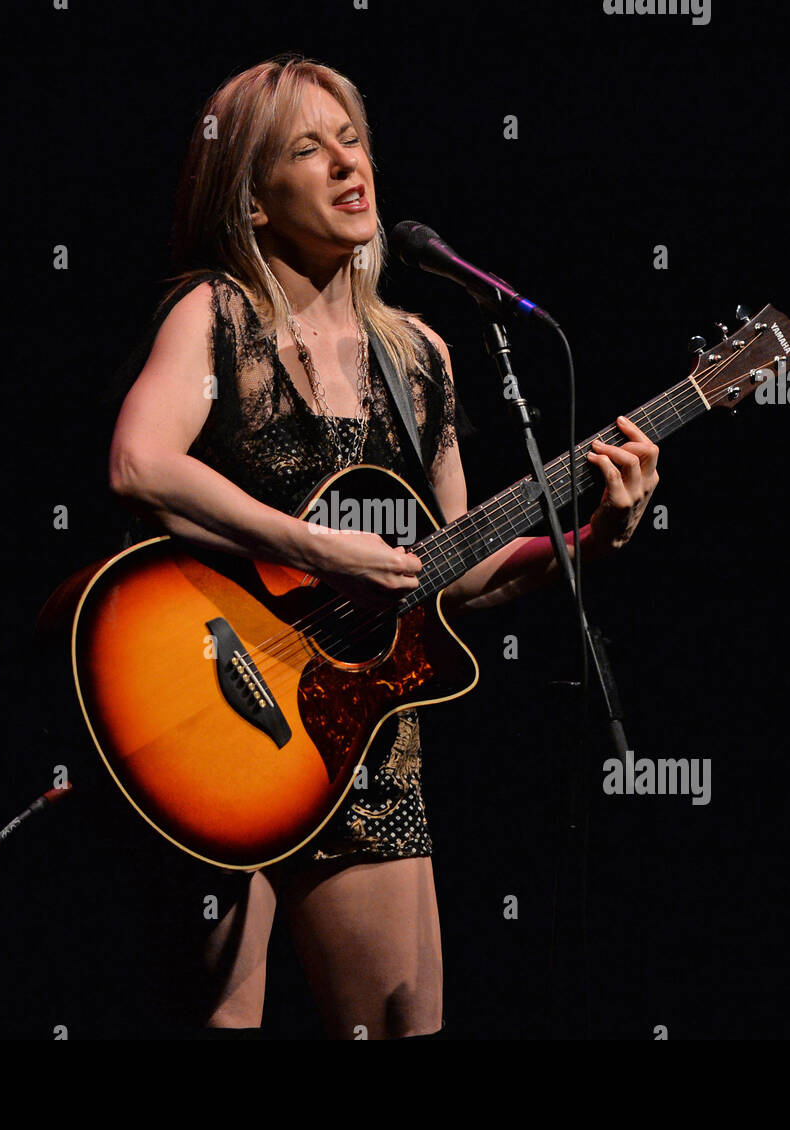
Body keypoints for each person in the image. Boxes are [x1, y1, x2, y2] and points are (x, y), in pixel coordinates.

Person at [106, 54, 659, 1039]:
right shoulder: (216, 315)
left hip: (363, 739)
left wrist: (594, 536)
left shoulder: (419, 355)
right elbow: (140, 463)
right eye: (306, 150)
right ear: (255, 199)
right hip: (208, 701)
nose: (346, 166)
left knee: (404, 1025)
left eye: (351, 139)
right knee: (220, 1018)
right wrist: (316, 548)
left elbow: (462, 570)